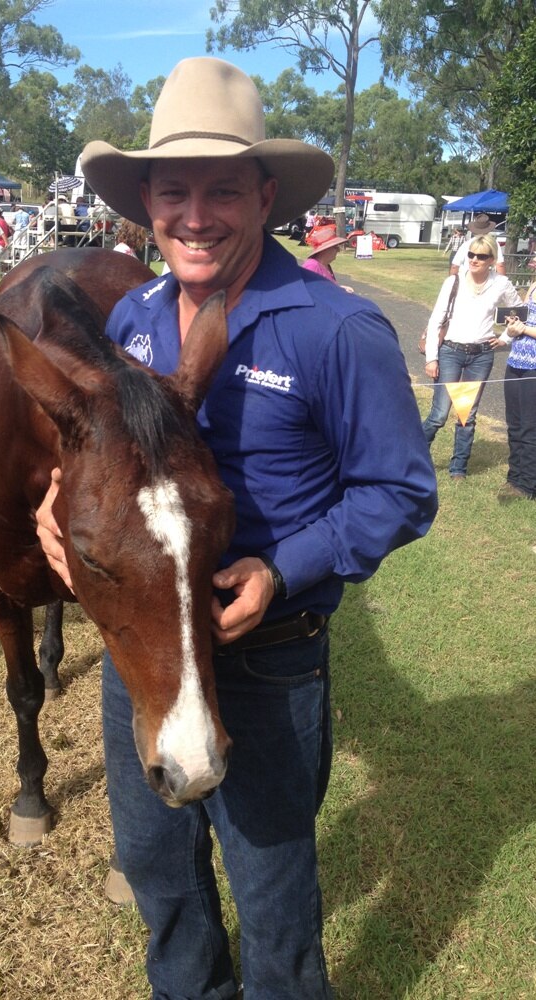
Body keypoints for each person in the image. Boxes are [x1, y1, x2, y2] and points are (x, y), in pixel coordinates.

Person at [35, 56, 438, 1000]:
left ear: (265, 197)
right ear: (146, 201)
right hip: (144, 647)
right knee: (159, 876)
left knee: (274, 903)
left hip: (266, 659)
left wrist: (282, 570)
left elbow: (401, 491)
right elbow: (94, 456)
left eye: (223, 189)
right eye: (174, 190)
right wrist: (57, 511)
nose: (196, 214)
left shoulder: (337, 332)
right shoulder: (130, 320)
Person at [423, 232, 523, 480]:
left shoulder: (501, 284)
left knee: (466, 414)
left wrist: (505, 338)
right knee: (439, 414)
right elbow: (436, 320)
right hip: (450, 352)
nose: (474, 259)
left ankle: (458, 468)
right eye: (471, 254)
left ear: (492, 259)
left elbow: (520, 314)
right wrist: (431, 358)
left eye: (481, 256)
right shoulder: (453, 282)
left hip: (480, 355)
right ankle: (413, 458)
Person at [500, 257, 536, 499]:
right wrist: (514, 324)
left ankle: (528, 484)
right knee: (514, 424)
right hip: (515, 362)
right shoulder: (533, 285)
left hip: (533, 367)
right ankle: (514, 477)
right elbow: (526, 319)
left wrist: (524, 329)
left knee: (529, 427)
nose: (532, 259)